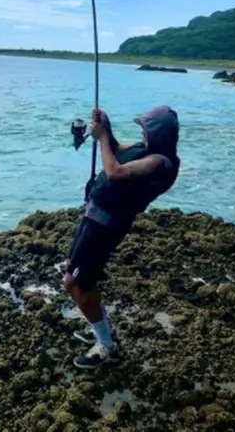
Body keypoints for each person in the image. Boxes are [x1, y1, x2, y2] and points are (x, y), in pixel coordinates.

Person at [61, 105, 180, 369]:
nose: (142, 133)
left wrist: (102, 137)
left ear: (158, 133)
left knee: (74, 284)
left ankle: (106, 346)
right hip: (94, 218)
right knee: (81, 280)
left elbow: (115, 171)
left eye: (146, 129)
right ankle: (100, 330)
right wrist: (107, 128)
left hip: (104, 227)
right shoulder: (146, 150)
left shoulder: (159, 162)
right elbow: (115, 149)